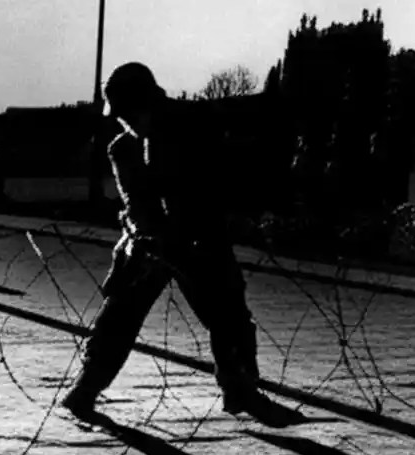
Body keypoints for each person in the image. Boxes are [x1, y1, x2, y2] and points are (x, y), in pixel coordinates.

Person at [61, 62, 301, 426]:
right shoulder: (123, 148)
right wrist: (149, 234)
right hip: (151, 244)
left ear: (145, 101)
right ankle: (85, 390)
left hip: (201, 236)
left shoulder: (193, 123)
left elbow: (218, 177)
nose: (123, 120)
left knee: (229, 315)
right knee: (119, 317)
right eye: (120, 114)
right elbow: (135, 202)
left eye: (127, 111)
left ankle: (241, 389)